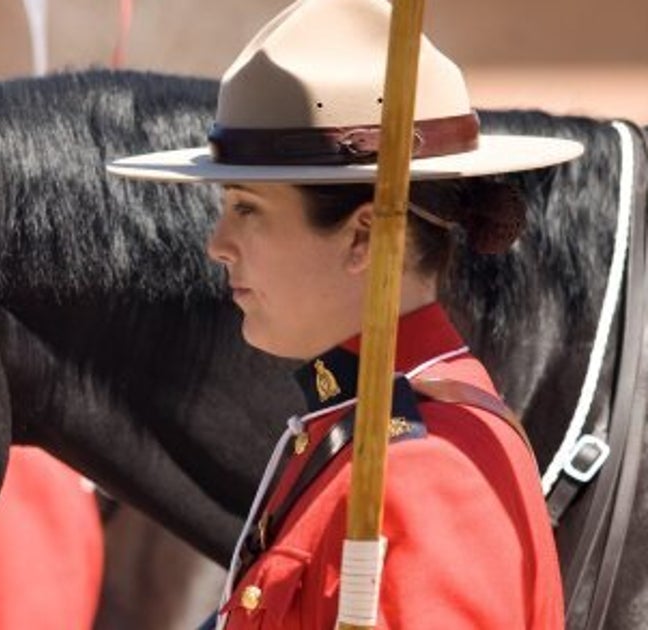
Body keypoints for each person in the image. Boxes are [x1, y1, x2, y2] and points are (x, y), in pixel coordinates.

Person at [106, 0, 583, 627]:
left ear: (364, 239)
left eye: (247, 208)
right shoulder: (356, 427)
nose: (216, 245)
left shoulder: (424, 470)